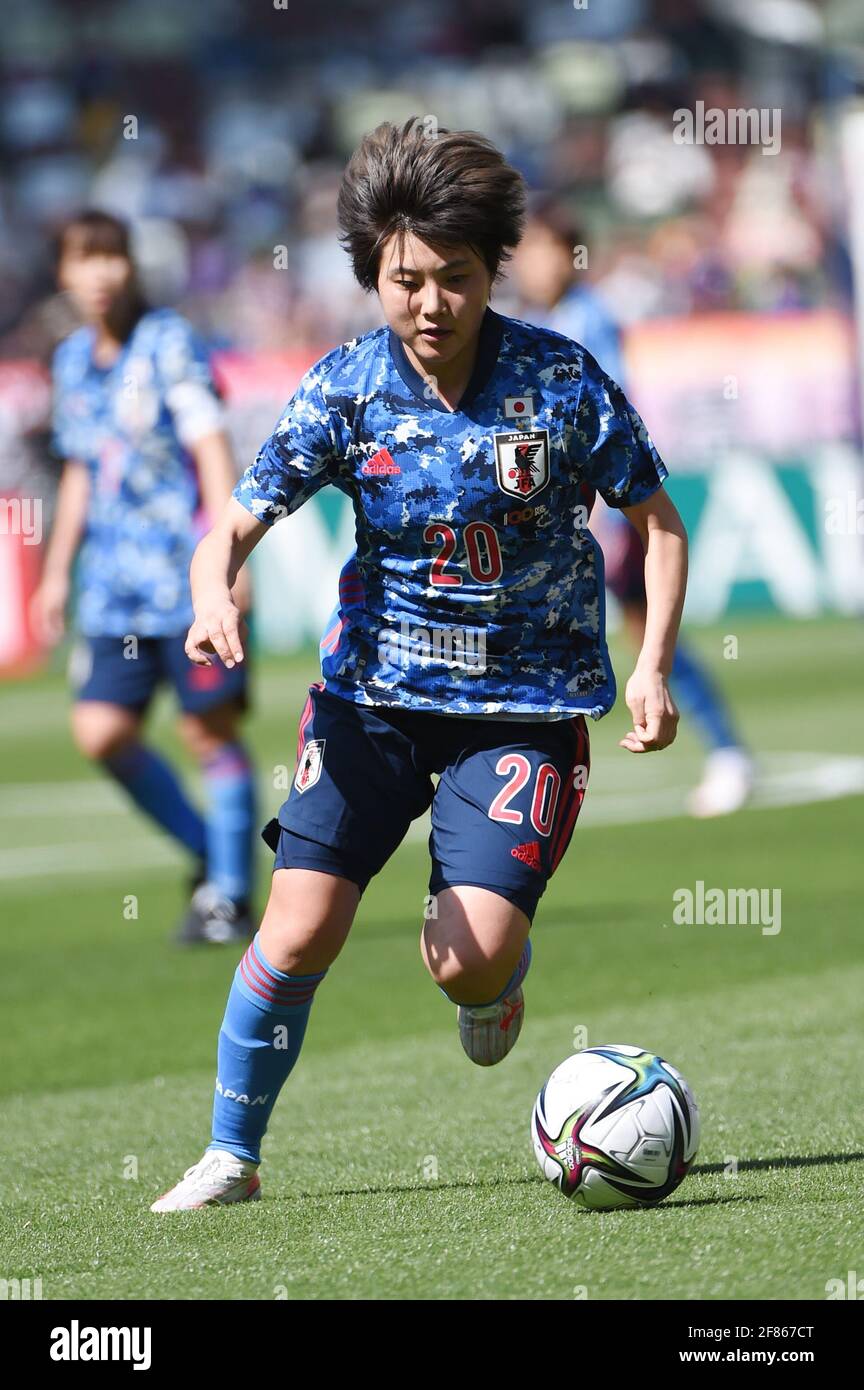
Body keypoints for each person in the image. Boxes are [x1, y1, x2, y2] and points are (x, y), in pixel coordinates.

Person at [150, 118, 687, 1211]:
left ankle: (497, 984)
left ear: (494, 269)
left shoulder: (561, 383)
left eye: (455, 277)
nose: (430, 303)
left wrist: (653, 662)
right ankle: (229, 1155)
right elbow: (235, 523)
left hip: (523, 711)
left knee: (468, 962)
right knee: (296, 928)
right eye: (405, 280)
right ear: (372, 274)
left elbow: (660, 520)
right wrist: (214, 589)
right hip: (371, 699)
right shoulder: (344, 389)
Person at [31, 210, 257, 943]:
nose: (100, 273)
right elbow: (78, 472)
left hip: (182, 581)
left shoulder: (168, 343)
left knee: (207, 732)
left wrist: (227, 560)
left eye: (111, 257)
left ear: (132, 265)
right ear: (63, 274)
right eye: (82, 259)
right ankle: (207, 852)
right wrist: (57, 571)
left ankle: (228, 895)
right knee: (100, 732)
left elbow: (212, 450)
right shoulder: (70, 361)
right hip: (113, 592)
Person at [511, 200, 753, 818]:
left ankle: (725, 752)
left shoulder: (585, 321)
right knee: (635, 631)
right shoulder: (557, 319)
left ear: (569, 253)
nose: (530, 266)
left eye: (540, 251)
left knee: (644, 634)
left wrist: (602, 519)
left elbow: (609, 417)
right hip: (585, 512)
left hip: (605, 511)